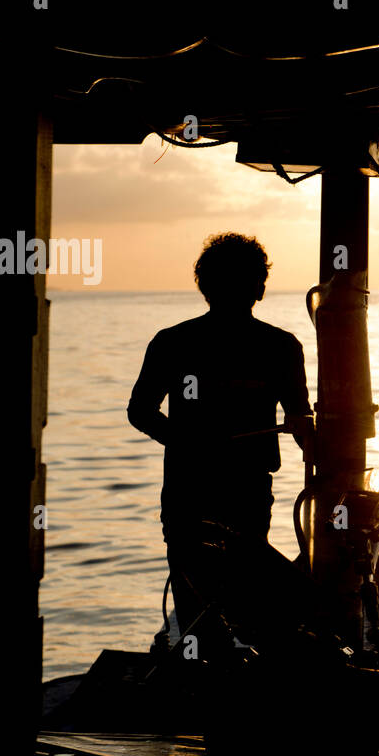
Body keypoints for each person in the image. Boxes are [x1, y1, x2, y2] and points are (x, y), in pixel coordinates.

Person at [128, 233, 313, 642]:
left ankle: (205, 680)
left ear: (203, 286)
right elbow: (302, 422)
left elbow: (139, 412)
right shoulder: (280, 347)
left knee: (201, 609)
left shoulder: (173, 341)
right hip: (222, 491)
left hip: (203, 490)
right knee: (234, 601)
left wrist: (185, 442)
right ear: (260, 288)